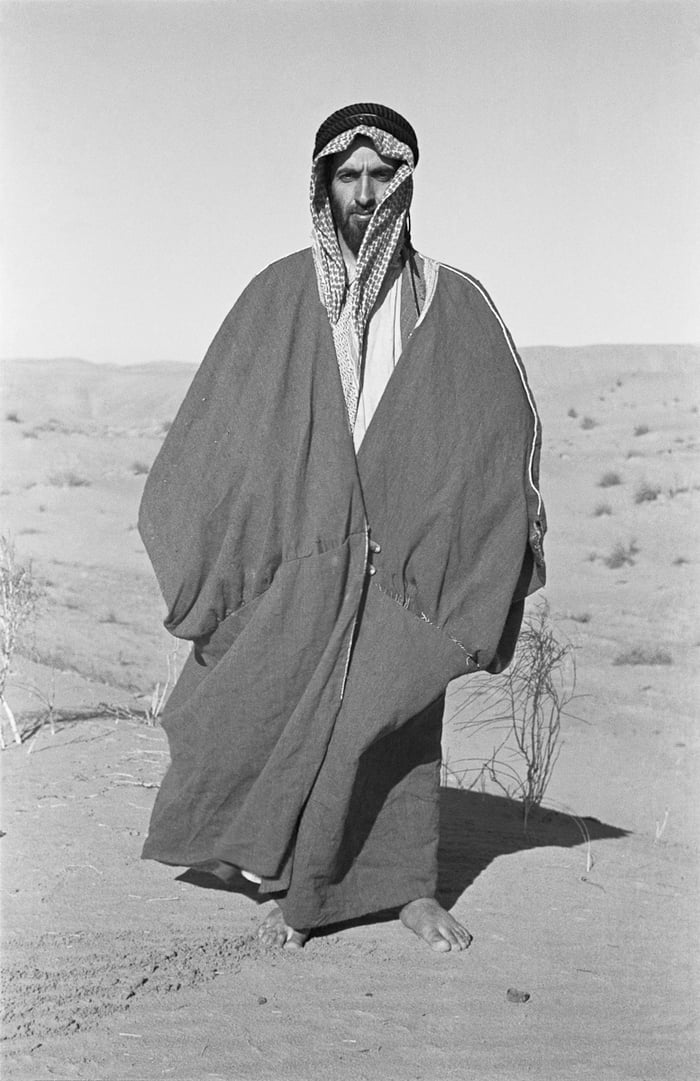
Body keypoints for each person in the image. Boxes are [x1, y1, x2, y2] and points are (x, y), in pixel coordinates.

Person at [138, 103, 546, 953]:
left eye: (378, 176)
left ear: (403, 183)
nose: (363, 193)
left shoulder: (449, 300)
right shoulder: (282, 291)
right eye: (347, 176)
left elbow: (497, 426)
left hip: (400, 556)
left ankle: (400, 889)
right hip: (305, 539)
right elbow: (223, 419)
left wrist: (458, 532)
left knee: (392, 716)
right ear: (324, 184)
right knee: (257, 684)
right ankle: (259, 851)